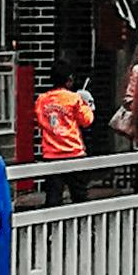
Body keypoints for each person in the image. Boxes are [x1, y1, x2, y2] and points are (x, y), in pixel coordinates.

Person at [33, 63, 94, 202]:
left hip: (51, 153)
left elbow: (40, 120)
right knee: (80, 195)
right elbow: (87, 120)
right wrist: (86, 105)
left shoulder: (42, 99)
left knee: (53, 196)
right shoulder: (74, 98)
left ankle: (52, 223)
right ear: (69, 80)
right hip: (73, 152)